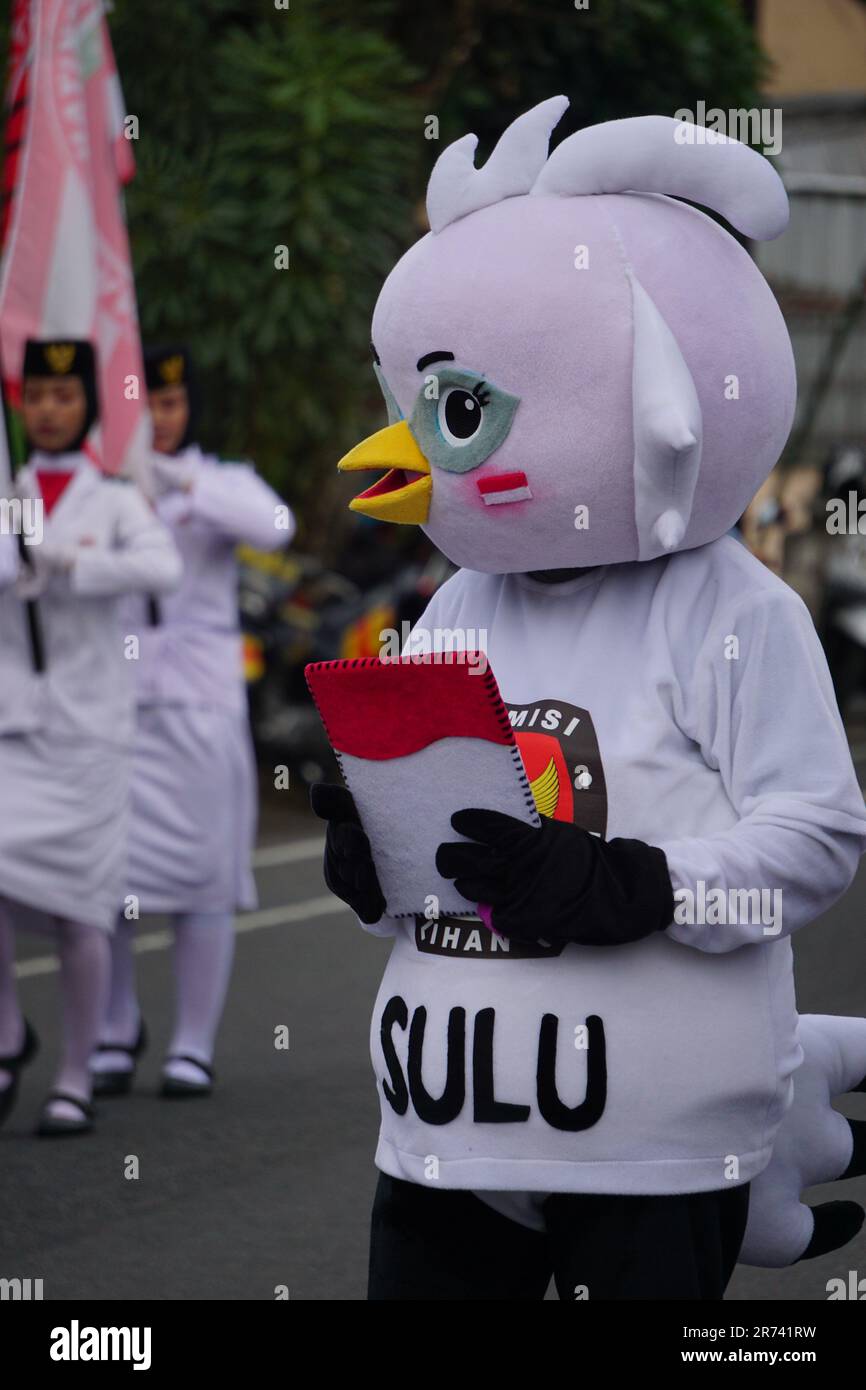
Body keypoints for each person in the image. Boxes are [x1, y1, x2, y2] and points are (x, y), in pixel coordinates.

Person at [311, 102, 866, 1298]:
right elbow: (437, 882)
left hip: (652, 1155)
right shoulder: (458, 605)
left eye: (458, 413)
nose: (400, 452)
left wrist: (636, 883)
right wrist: (377, 862)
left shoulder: (732, 612)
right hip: (445, 1140)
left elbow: (817, 838)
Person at [90, 346, 292, 1098]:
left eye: (171, 404)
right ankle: (115, 1028)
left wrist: (177, 479)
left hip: (201, 705)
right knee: (111, 876)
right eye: (145, 406)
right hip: (116, 702)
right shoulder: (105, 489)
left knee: (203, 874)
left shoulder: (219, 481)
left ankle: (193, 1043)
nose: (160, 419)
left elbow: (274, 524)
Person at [0, 338, 181, 1136]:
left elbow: (159, 568)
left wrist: (69, 560)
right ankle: (9, 1032)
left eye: (63, 396)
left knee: (82, 911)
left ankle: (75, 1071)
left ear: (88, 408)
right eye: (35, 394)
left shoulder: (112, 495)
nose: (47, 408)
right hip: (14, 723)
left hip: (87, 731)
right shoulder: (10, 493)